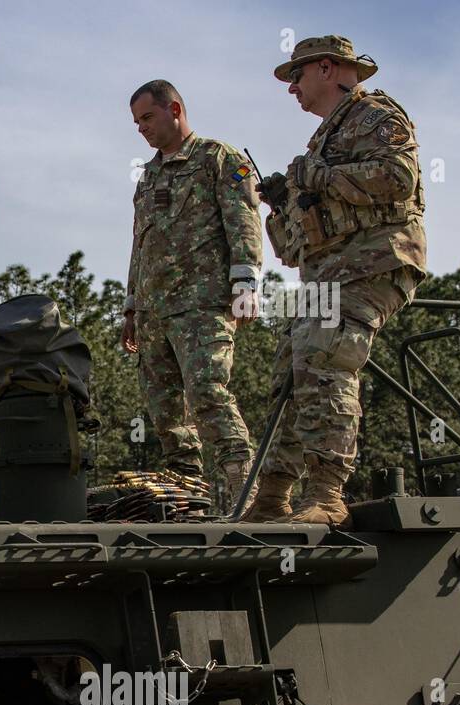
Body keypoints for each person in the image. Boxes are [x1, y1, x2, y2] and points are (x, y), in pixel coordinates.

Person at [243, 36, 426, 524]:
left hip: (374, 264)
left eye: (296, 76)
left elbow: (397, 177)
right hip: (330, 276)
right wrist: (284, 206)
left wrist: (316, 179)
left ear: (327, 69)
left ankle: (326, 495)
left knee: (325, 355)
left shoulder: (374, 115)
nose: (291, 89)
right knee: (290, 369)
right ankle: (272, 498)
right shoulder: (324, 139)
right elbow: (292, 251)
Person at [123, 80, 262, 501]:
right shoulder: (146, 176)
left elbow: (243, 221)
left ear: (175, 109)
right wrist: (131, 308)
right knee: (165, 412)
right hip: (153, 313)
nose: (141, 129)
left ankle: (246, 487)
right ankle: (188, 494)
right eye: (136, 122)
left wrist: (247, 283)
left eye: (147, 117)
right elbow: (140, 243)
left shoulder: (219, 159)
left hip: (202, 304)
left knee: (208, 394)